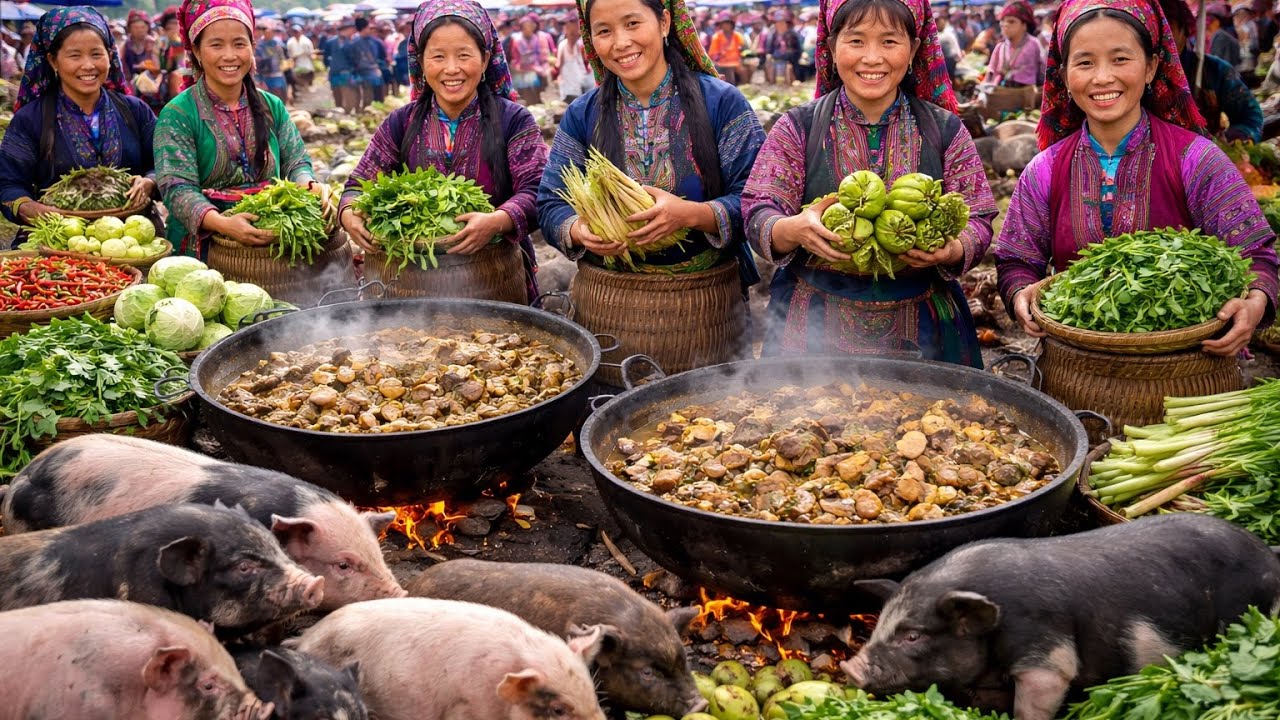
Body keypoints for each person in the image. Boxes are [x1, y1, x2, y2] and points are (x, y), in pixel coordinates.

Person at [995, 0, 1278, 358]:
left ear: (1151, 67)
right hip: (1074, 371)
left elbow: (1255, 255)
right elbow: (1016, 260)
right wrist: (1021, 293)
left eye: (1120, 59)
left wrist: (1254, 301)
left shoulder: (1197, 160)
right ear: (1064, 76)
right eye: (1084, 62)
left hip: (1191, 372)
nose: (1102, 77)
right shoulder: (1045, 169)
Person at [742, 0, 997, 365]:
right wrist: (792, 228)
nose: (872, 58)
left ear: (914, 48)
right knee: (801, 418)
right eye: (856, 40)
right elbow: (757, 210)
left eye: (890, 42)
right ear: (831, 48)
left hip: (927, 328)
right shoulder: (799, 127)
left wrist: (952, 250)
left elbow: (980, 216)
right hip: (810, 324)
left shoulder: (944, 130)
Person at [538, 0, 765, 280]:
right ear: (591, 39)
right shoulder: (582, 114)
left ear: (665, 23)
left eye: (632, 23)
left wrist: (692, 214)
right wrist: (578, 230)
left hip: (709, 297)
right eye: (604, 31)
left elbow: (758, 202)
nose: (621, 43)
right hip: (609, 296)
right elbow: (550, 202)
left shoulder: (722, 102)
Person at [340, 0, 547, 301]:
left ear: (486, 58)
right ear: (421, 61)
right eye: (438, 56)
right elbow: (358, 184)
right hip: (412, 283)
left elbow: (537, 191)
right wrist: (349, 212)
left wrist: (497, 221)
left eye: (464, 55)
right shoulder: (402, 122)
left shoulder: (513, 119)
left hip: (495, 277)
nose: (452, 69)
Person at [154, 0, 326, 259]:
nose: (230, 55)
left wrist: (307, 183)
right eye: (216, 45)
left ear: (252, 48)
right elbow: (176, 188)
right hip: (205, 253)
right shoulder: (178, 114)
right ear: (197, 52)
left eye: (239, 43)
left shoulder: (272, 106)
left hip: (271, 244)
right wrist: (222, 223)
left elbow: (295, 161)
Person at [0, 7, 157, 238]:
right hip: (57, 242)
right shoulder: (31, 119)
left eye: (96, 54)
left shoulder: (134, 110)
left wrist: (150, 182)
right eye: (75, 55)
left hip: (132, 240)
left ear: (110, 54)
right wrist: (28, 208)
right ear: (53, 60)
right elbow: (8, 184)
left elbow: (165, 164)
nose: (88, 66)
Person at [1161, 0, 1263, 142]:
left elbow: (1250, 116)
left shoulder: (1215, 71)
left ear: (1185, 30)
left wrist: (1231, 140)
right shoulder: (1135, 74)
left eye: (1166, 30)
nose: (1158, 40)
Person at [983, 1, 1045, 88]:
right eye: (1003, 21)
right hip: (1001, 96)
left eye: (1011, 21)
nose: (1005, 25)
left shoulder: (1033, 44)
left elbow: (1042, 72)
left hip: (1026, 97)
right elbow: (990, 75)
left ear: (1024, 25)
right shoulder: (1000, 48)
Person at [510, 14, 551, 105]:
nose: (528, 30)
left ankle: (536, 100)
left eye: (530, 27)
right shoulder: (517, 40)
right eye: (525, 27)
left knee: (538, 85)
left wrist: (541, 65)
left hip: (534, 67)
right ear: (522, 28)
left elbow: (537, 54)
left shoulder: (535, 38)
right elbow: (515, 56)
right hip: (522, 69)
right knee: (525, 92)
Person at [556, 16, 591, 101]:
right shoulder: (563, 45)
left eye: (576, 34)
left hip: (580, 82)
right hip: (568, 83)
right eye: (573, 33)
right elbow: (558, 64)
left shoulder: (579, 45)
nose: (575, 36)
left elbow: (585, 61)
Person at [708, 12, 746, 85]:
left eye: (728, 23)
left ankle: (744, 86)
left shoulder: (738, 36)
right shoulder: (716, 37)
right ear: (721, 25)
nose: (726, 25)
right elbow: (713, 54)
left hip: (737, 62)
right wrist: (721, 56)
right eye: (724, 23)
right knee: (729, 70)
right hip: (722, 62)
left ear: (732, 24)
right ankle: (733, 87)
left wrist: (742, 56)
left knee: (747, 68)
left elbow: (743, 49)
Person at [763, 10, 801, 84]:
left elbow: (797, 50)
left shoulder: (793, 34)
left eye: (782, 22)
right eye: (777, 23)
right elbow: (769, 49)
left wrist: (785, 55)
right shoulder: (773, 34)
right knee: (768, 64)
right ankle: (771, 83)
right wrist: (769, 55)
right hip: (776, 58)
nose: (779, 25)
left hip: (790, 59)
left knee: (788, 68)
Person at [328, 21, 357, 112]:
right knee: (336, 93)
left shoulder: (351, 43)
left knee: (347, 93)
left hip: (345, 72)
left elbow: (353, 59)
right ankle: (339, 110)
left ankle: (347, 111)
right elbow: (326, 56)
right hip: (334, 71)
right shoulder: (331, 42)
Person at [1206, 2, 1244, 68]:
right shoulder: (1223, 35)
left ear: (1216, 22)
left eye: (1209, 20)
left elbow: (1217, 62)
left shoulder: (1220, 37)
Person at [256, 23, 287, 100]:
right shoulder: (260, 45)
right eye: (269, 33)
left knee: (280, 92)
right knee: (270, 95)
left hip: (278, 73)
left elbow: (282, 56)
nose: (271, 35)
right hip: (266, 75)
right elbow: (258, 61)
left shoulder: (277, 43)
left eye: (272, 33)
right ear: (265, 34)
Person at [122, 9, 153, 83]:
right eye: (136, 28)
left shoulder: (153, 42)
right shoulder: (125, 46)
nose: (140, 30)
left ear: (148, 27)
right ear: (129, 29)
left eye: (143, 27)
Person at [287, 23, 315, 92]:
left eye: (297, 31)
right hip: (297, 64)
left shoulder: (306, 41)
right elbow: (290, 54)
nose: (296, 33)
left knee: (307, 78)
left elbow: (311, 53)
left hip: (306, 63)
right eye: (294, 32)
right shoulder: (290, 42)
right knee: (298, 79)